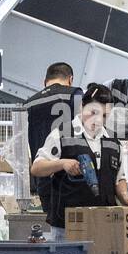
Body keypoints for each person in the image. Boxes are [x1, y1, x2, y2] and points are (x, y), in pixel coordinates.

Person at [31, 82, 128, 239]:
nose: (98, 120)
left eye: (104, 116)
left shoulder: (113, 142)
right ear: (82, 105)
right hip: (67, 225)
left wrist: (125, 198)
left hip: (104, 222)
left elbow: (119, 178)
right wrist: (62, 163)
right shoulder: (62, 135)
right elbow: (37, 168)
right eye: (93, 112)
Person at [22, 62, 83, 207]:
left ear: (45, 82)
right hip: (72, 177)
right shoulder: (75, 95)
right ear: (70, 79)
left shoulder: (28, 104)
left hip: (42, 177)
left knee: (52, 224)